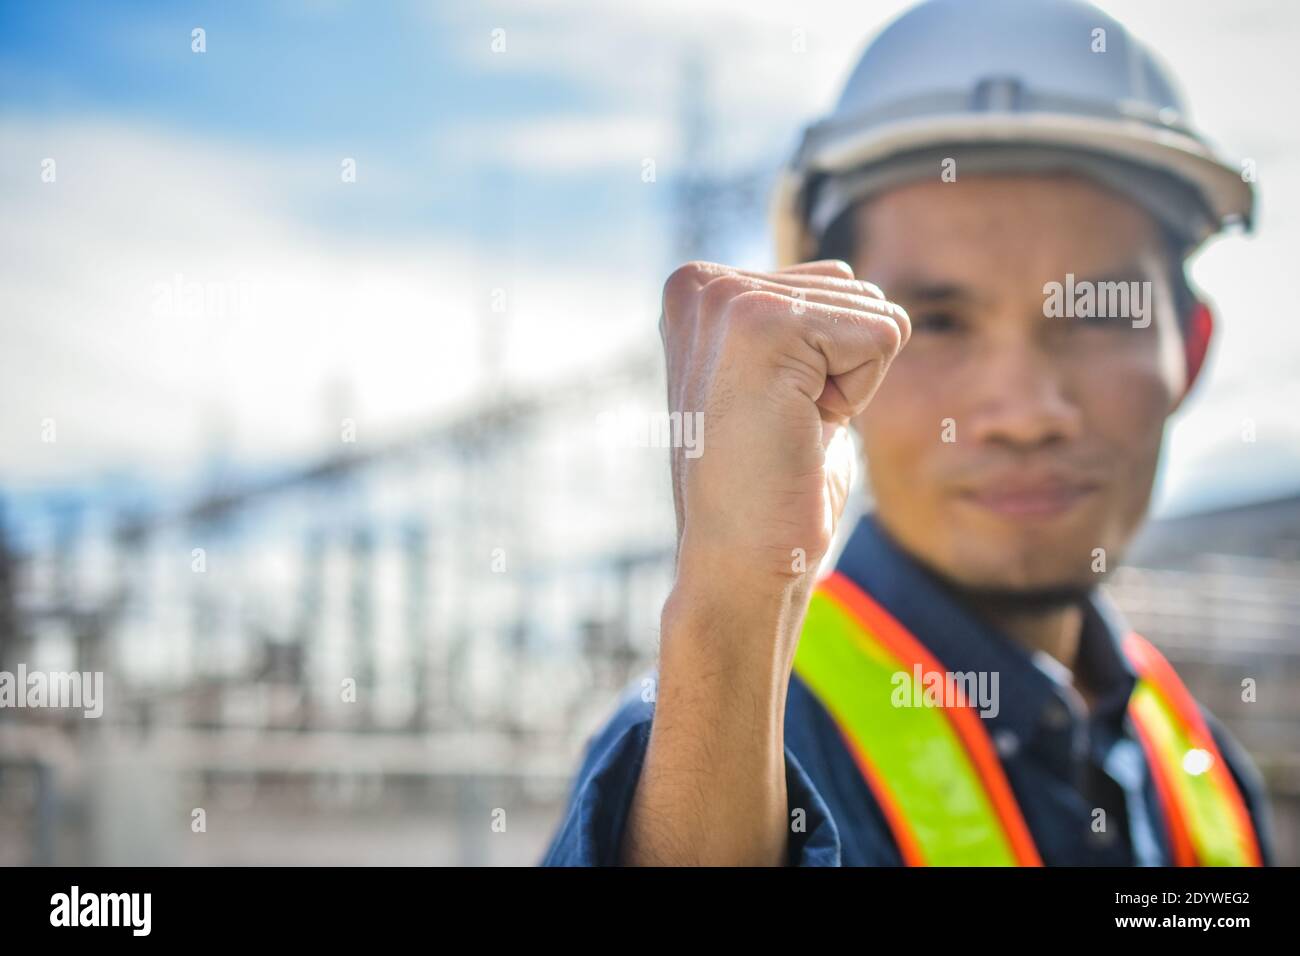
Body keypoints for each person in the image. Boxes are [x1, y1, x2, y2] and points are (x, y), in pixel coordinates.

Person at [543, 0, 1274, 865]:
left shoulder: (1201, 768)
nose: (1025, 411)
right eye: (937, 321)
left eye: (1092, 317)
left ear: (1189, 353)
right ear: (825, 359)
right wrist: (730, 610)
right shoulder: (710, 765)